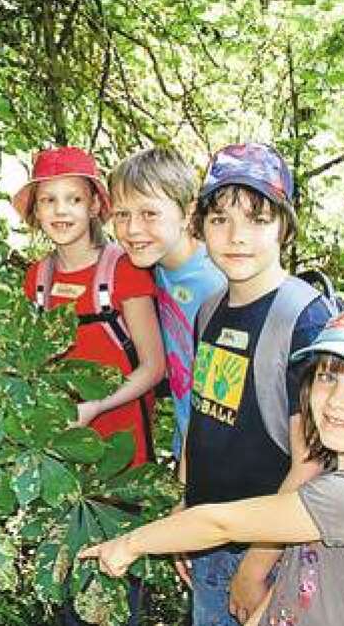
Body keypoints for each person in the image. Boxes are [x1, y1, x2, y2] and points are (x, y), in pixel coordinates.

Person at [80, 298, 344, 626]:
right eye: (328, 376)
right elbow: (301, 575)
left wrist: (129, 544)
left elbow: (220, 524)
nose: (336, 400)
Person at [175, 143, 334, 625]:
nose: (237, 236)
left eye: (258, 219)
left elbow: (311, 461)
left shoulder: (303, 320)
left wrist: (257, 562)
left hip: (261, 550)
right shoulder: (209, 308)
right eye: (220, 219)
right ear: (200, 226)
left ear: (285, 227)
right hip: (210, 534)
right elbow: (204, 416)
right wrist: (186, 512)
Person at [13, 146, 167, 467]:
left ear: (94, 205)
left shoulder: (124, 270)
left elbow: (154, 366)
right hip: (61, 443)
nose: (61, 211)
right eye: (48, 200)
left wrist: (95, 405)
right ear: (36, 211)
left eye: (74, 199)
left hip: (124, 442)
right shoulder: (36, 278)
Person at [108, 147, 226, 464]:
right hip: (187, 441)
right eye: (122, 214)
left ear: (188, 213)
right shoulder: (155, 268)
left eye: (150, 214)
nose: (132, 229)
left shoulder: (214, 285)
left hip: (218, 456)